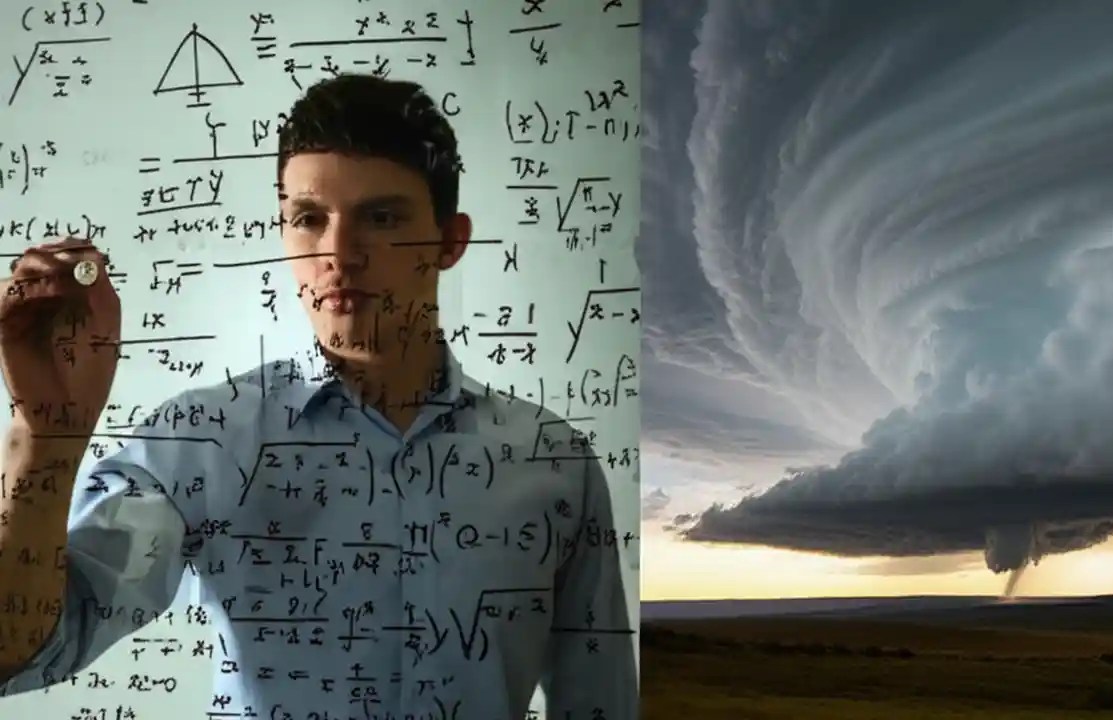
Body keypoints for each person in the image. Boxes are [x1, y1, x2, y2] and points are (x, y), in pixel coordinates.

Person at [0, 73, 637, 720]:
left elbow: (599, 703)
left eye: (381, 218)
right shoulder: (203, 441)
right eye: (308, 219)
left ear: (451, 240)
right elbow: (23, 651)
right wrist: (44, 440)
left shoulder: (554, 463)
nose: (338, 253)